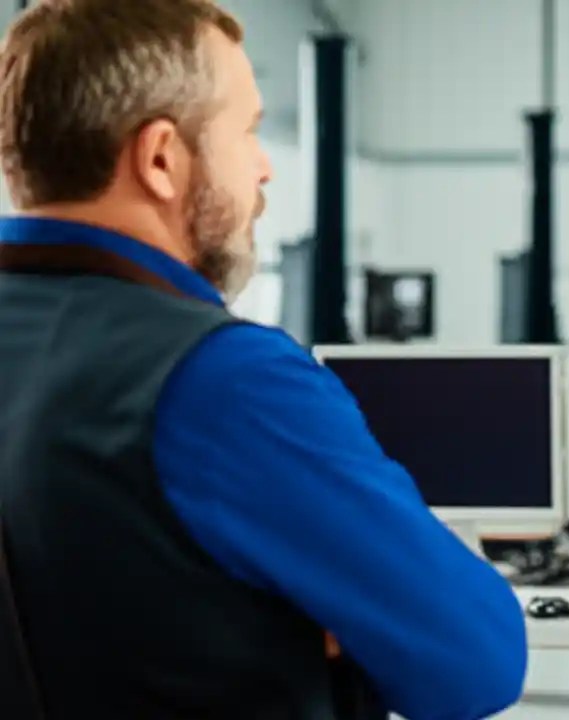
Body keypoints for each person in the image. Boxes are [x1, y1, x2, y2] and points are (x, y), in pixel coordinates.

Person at [0, 1, 527, 719]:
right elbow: (477, 662)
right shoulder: (220, 381)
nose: (265, 167)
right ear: (161, 158)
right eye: (246, 130)